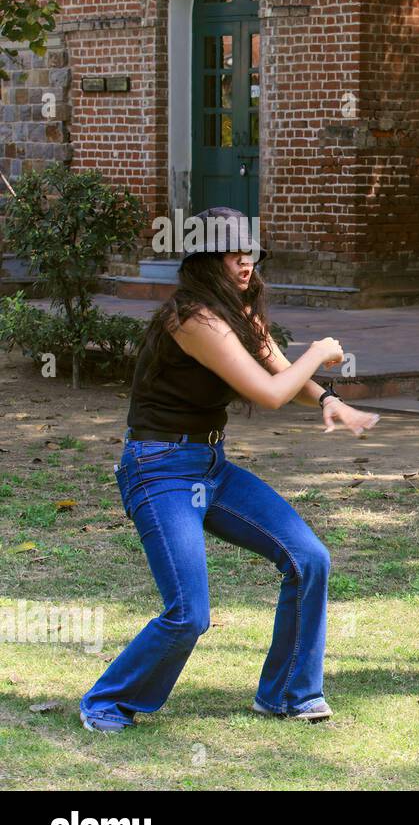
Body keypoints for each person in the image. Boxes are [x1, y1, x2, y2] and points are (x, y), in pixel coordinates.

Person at [79, 207, 380, 732]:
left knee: (309, 558)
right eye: (233, 253)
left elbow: (282, 375)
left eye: (251, 251)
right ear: (204, 259)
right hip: (159, 469)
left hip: (209, 466)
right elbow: (267, 395)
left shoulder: (238, 313)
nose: (246, 262)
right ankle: (107, 701)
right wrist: (319, 353)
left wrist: (329, 399)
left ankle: (288, 694)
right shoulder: (193, 319)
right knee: (189, 614)